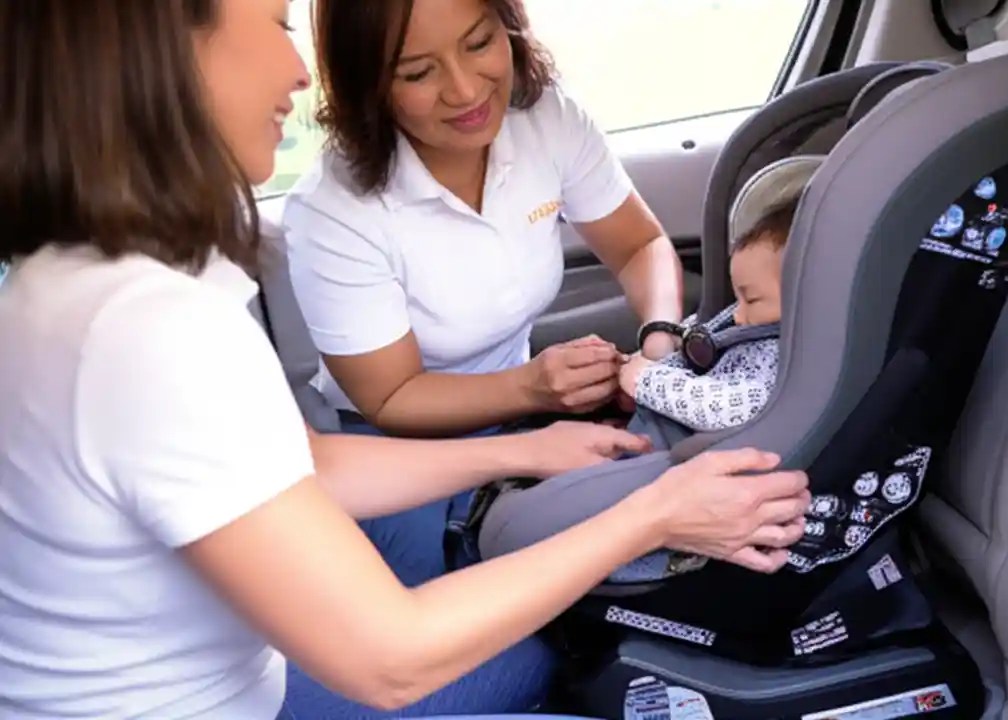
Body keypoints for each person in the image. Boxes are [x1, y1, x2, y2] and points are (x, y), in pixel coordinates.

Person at [0, 2, 811, 719]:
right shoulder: (149, 332)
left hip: (240, 675)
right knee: (588, 659)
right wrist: (656, 512)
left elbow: (301, 465)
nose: (293, 68)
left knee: (559, 641)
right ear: (165, 57)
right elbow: (391, 662)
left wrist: (524, 447)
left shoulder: (90, 285)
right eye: (278, 26)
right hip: (229, 697)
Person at [281, 0, 685, 443]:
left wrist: (659, 343)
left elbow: (639, 247)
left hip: (526, 398)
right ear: (368, 85)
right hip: (401, 443)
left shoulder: (547, 119)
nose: (465, 90)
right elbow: (391, 398)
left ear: (508, 25)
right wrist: (532, 388)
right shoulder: (331, 210)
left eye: (479, 43)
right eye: (418, 72)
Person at [608, 195, 797, 583]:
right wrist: (658, 354)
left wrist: (647, 380)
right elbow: (711, 331)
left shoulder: (784, 352)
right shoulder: (752, 318)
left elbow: (726, 409)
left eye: (752, 298)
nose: (739, 313)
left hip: (702, 453)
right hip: (667, 435)